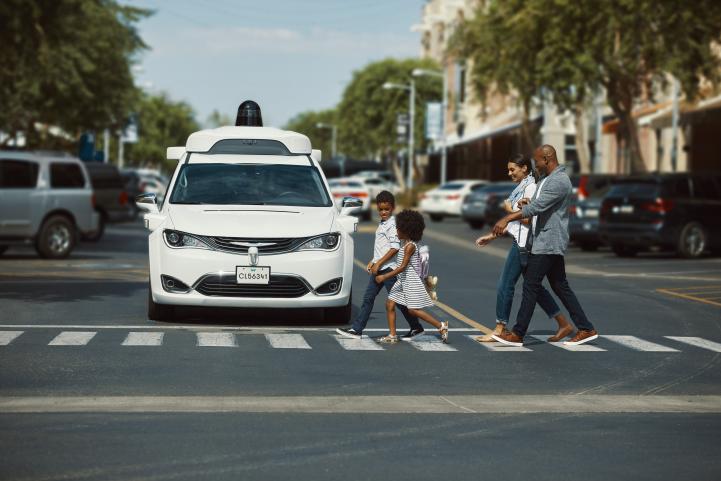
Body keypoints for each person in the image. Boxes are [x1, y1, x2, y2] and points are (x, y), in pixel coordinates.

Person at [491, 145, 598, 347]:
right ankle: (586, 328)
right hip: (545, 240)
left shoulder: (559, 180)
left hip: (548, 241)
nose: (535, 165)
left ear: (547, 158)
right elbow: (538, 205)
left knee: (531, 285)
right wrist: (526, 204)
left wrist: (508, 217)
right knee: (560, 286)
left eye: (537, 161)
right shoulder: (547, 180)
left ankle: (517, 333)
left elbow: (538, 207)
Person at [474, 155, 572, 342]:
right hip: (520, 240)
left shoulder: (531, 187)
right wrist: (492, 236)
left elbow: (529, 219)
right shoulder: (522, 187)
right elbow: (515, 223)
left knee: (505, 284)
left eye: (513, 169)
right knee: (533, 288)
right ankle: (563, 323)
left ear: (524, 168)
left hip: (524, 244)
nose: (509, 173)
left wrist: (509, 211)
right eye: (509, 169)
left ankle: (500, 328)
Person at [336, 191, 424, 340]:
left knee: (399, 302)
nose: (383, 212)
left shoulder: (392, 225)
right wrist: (373, 260)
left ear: (393, 208)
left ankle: (416, 327)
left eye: (387, 209)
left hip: (388, 269)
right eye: (381, 209)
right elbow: (382, 247)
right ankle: (357, 330)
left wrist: (380, 263)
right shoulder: (383, 223)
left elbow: (394, 247)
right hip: (380, 267)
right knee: (368, 299)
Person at [376, 209, 449, 344]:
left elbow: (403, 267)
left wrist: (384, 277)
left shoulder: (410, 246)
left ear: (407, 230)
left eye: (398, 228)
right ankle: (392, 335)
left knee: (413, 310)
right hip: (402, 280)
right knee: (389, 304)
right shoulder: (405, 244)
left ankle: (441, 325)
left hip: (410, 280)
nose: (396, 230)